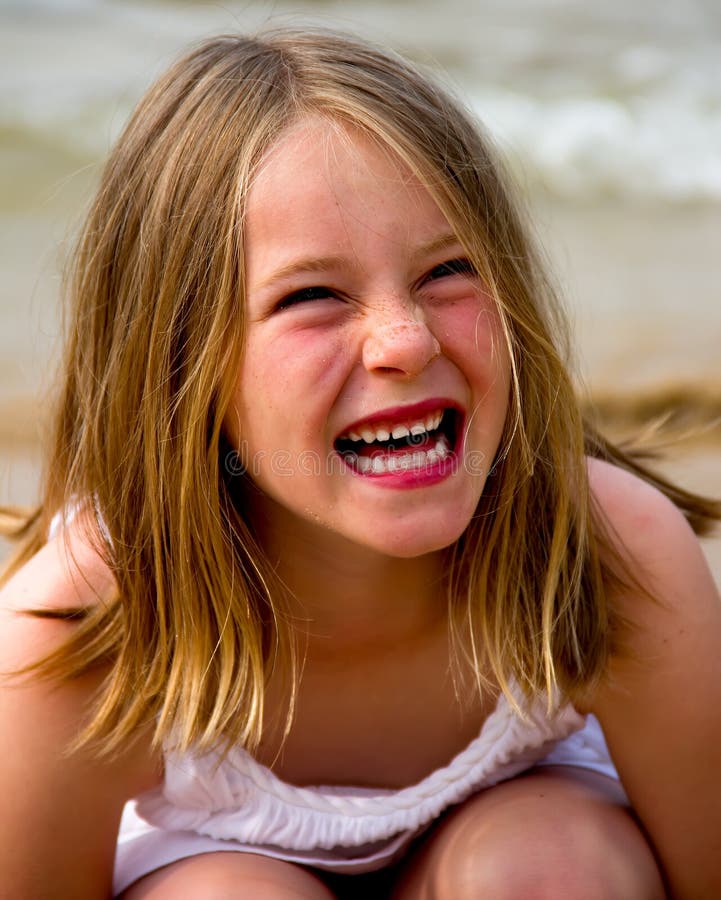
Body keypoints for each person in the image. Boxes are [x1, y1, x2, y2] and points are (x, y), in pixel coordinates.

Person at [1, 28, 719, 900]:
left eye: (448, 270)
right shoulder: (81, 635)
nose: (405, 341)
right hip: (214, 870)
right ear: (180, 365)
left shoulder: (608, 555)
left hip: (527, 840)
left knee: (547, 868)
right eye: (311, 295)